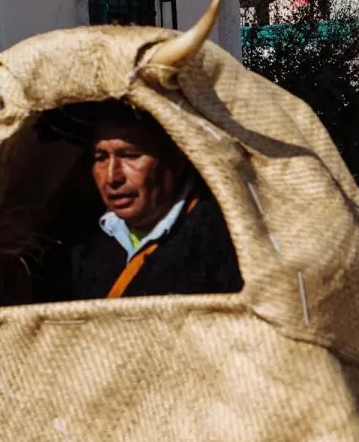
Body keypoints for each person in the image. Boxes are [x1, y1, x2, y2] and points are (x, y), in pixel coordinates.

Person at [41, 102, 243, 300]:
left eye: (130, 155)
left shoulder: (228, 237)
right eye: (101, 158)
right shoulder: (76, 242)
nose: (112, 177)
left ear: (177, 159)